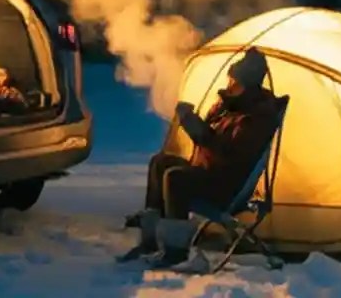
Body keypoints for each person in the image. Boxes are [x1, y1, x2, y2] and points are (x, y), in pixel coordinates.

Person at [119, 47, 280, 266]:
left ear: (247, 85)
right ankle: (150, 240)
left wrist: (198, 131)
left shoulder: (256, 118)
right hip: (210, 172)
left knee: (175, 178)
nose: (229, 84)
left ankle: (176, 251)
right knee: (160, 163)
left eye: (234, 80)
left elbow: (228, 154)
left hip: (225, 185)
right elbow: (214, 138)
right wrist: (196, 117)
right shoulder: (232, 107)